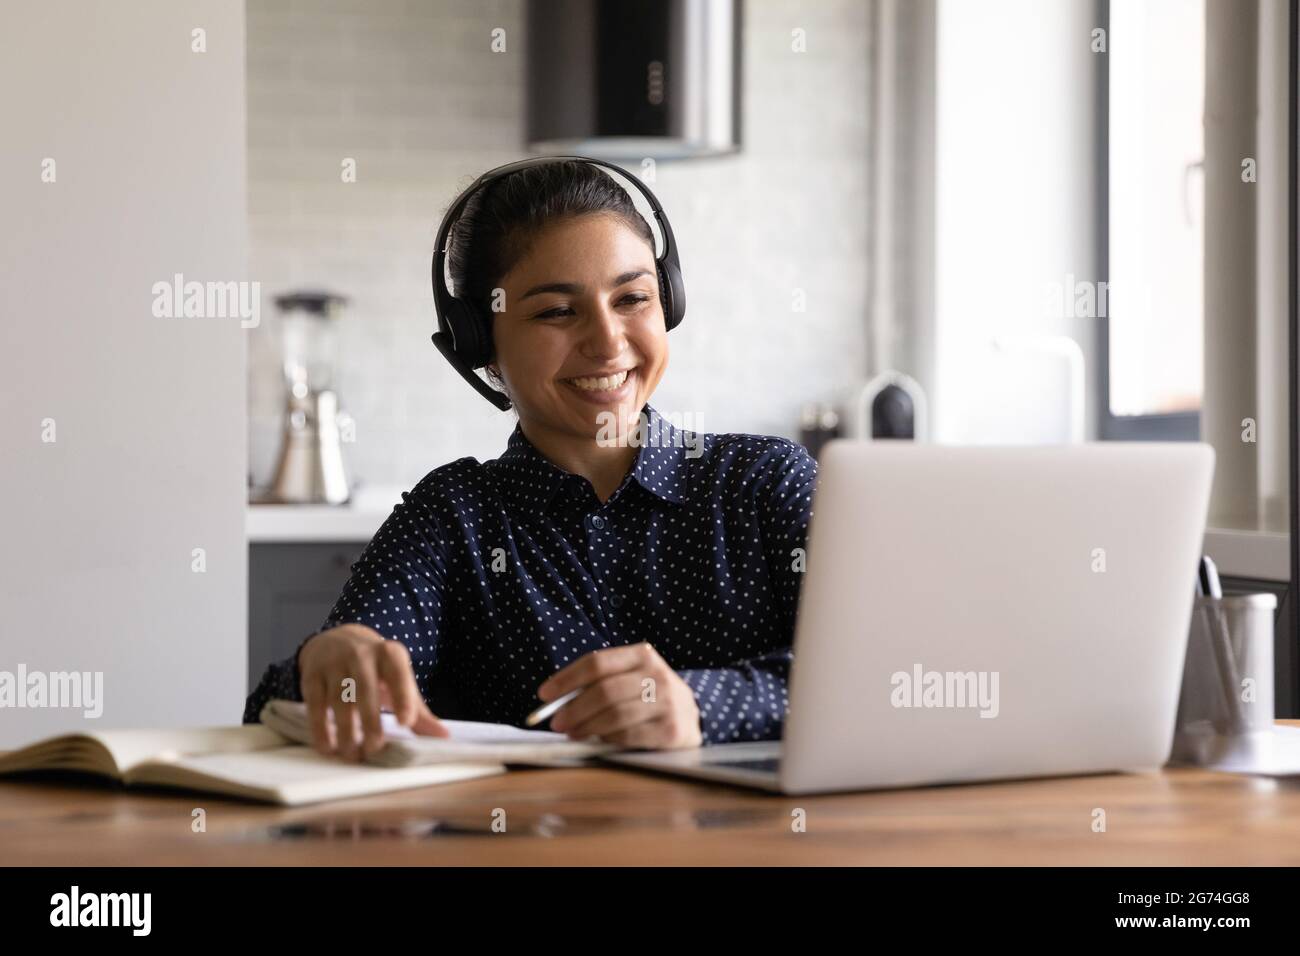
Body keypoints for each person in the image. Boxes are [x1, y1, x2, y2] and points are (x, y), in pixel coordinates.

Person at [243, 158, 818, 760]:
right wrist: (325, 662)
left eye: (633, 298)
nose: (607, 341)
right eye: (556, 312)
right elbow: (280, 711)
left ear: (668, 302)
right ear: (481, 346)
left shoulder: (765, 484)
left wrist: (703, 704)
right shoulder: (453, 519)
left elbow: (882, 676)